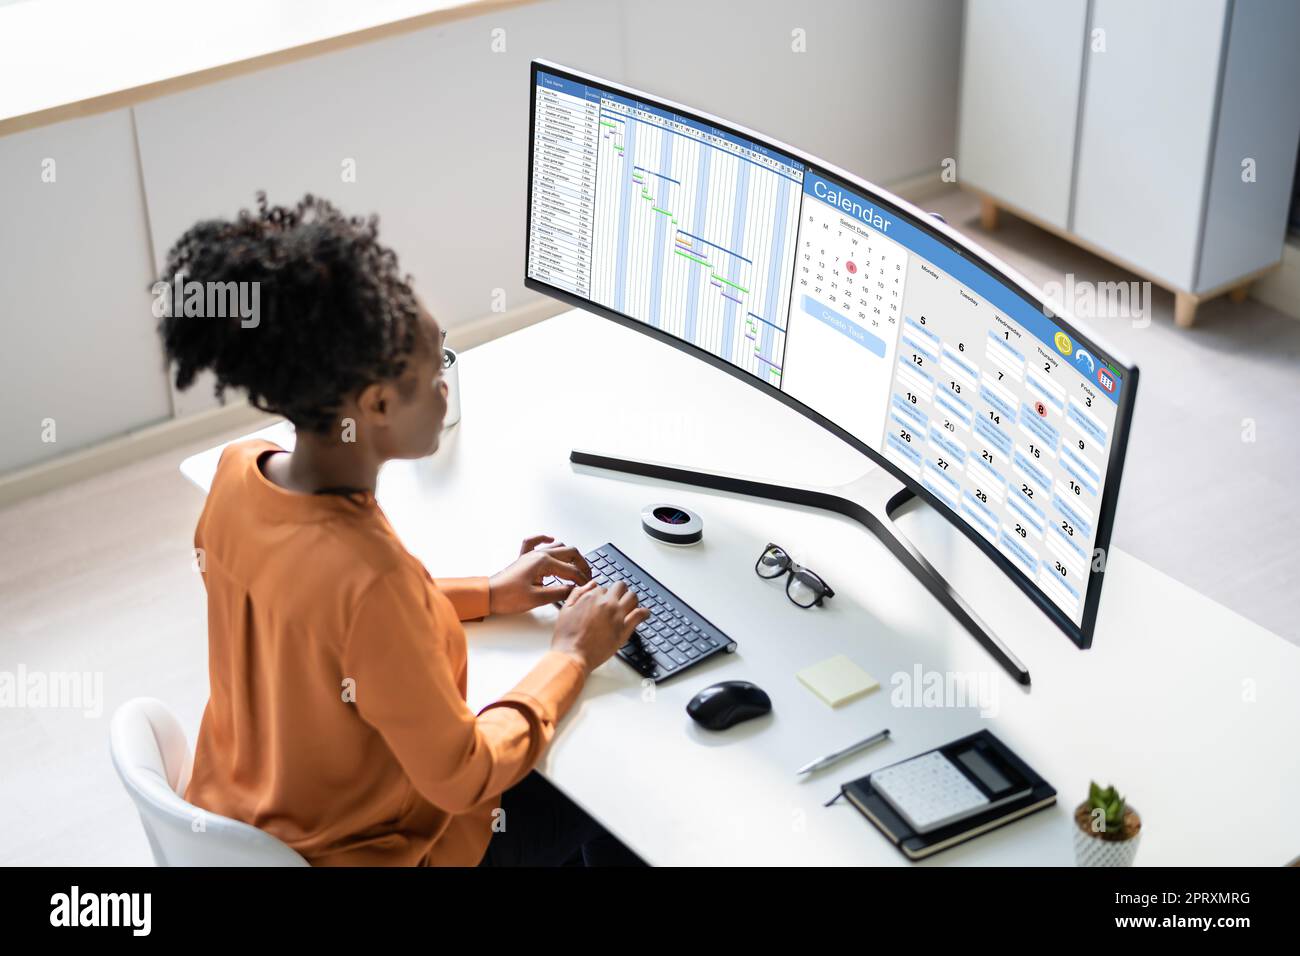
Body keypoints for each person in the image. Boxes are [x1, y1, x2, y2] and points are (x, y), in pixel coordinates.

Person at [158, 193, 648, 866]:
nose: (446, 388)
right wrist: (569, 655)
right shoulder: (370, 579)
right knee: (615, 795)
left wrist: (489, 592)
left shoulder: (240, 475)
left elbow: (326, 623)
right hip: (379, 853)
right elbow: (465, 775)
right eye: (434, 375)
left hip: (248, 825)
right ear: (379, 404)